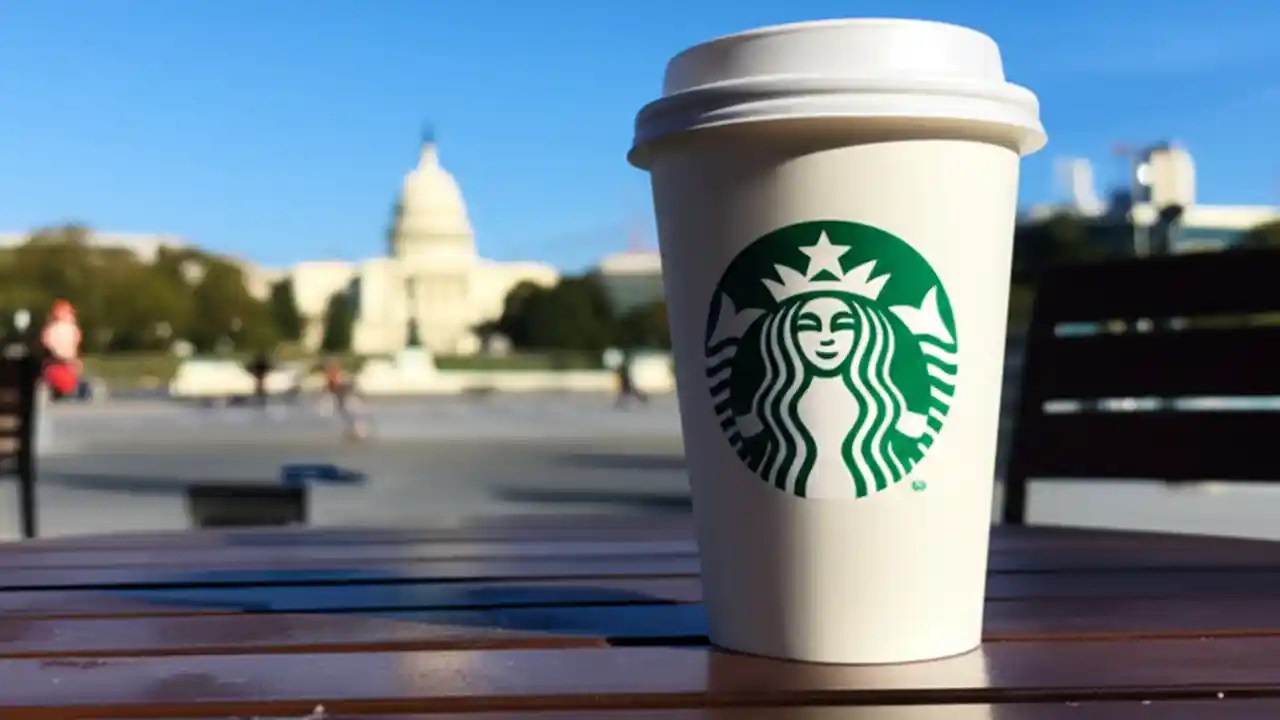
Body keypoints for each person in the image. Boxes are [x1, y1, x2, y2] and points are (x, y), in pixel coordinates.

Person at [41, 299, 83, 400]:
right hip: (57, 363)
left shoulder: (71, 328)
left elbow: (76, 343)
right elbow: (47, 343)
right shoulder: (53, 328)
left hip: (67, 363)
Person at [323, 357, 366, 440]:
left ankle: (355, 433)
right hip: (343, 401)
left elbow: (336, 387)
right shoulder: (332, 377)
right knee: (351, 416)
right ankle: (355, 433)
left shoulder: (335, 376)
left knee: (352, 416)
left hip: (344, 400)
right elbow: (334, 388)